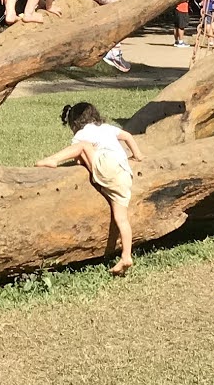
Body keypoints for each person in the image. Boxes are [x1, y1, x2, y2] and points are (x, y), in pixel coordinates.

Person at [34, 101, 143, 276]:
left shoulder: (82, 134)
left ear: (74, 124)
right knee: (122, 219)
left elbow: (80, 155)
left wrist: (81, 160)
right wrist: (137, 155)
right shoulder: (107, 128)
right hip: (124, 174)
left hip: (107, 167)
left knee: (84, 146)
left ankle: (52, 160)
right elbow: (128, 136)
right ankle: (126, 256)